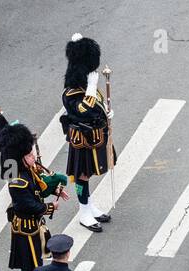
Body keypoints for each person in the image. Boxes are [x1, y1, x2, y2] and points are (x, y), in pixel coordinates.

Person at [0, 114, 67, 271]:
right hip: (25, 226)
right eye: (28, 154)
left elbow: (39, 186)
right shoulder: (17, 182)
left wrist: (55, 188)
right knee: (28, 262)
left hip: (34, 223)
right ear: (20, 157)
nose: (33, 156)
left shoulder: (28, 169)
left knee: (37, 258)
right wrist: (50, 206)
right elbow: (30, 204)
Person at [61, 34, 110, 232]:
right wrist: (90, 89)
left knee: (89, 174)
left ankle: (90, 205)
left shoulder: (84, 85)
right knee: (82, 176)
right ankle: (83, 211)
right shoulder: (71, 93)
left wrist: (106, 113)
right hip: (82, 140)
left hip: (95, 136)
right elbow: (82, 110)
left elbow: (95, 106)